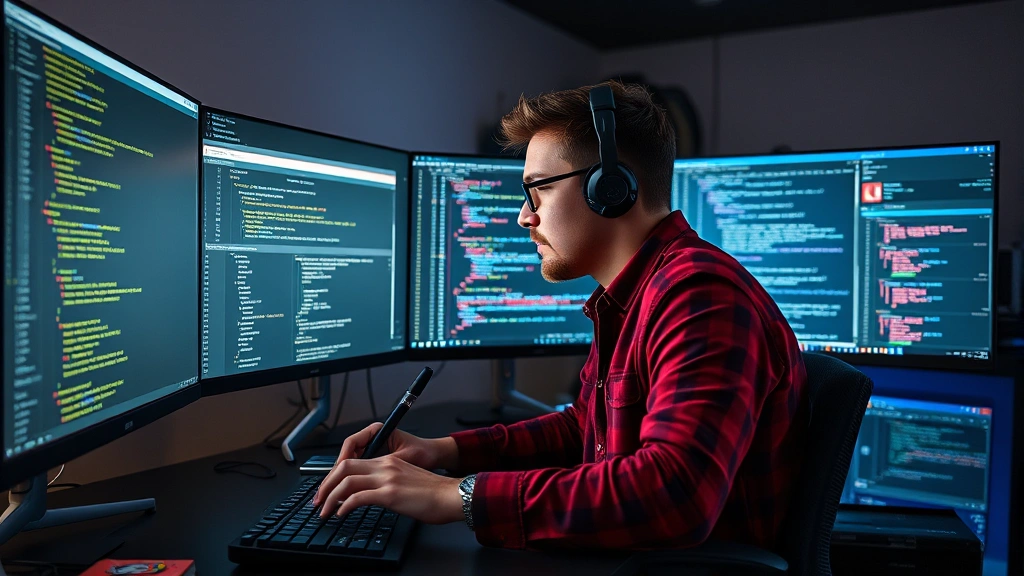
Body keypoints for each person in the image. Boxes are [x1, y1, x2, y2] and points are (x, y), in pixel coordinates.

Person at [313, 81, 808, 551]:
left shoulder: (699, 295)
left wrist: (453, 495)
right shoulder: (634, 296)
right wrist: (444, 451)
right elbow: (584, 429)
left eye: (539, 189)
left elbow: (675, 496)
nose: (524, 216)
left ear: (609, 187)